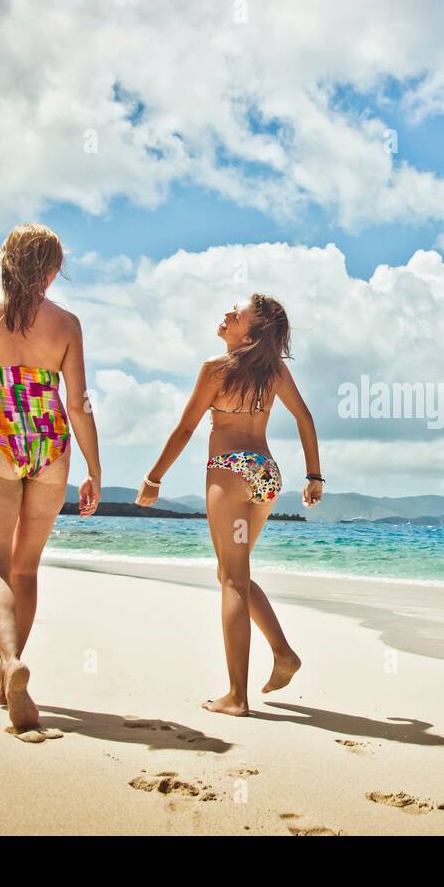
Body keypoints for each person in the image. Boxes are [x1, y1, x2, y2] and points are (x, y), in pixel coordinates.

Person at [0, 223, 102, 733]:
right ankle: (5, 673)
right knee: (26, 569)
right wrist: (95, 468)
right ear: (53, 270)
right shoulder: (68, 324)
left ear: (6, 261)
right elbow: (78, 403)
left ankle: (10, 663)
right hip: (51, 444)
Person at [137, 294, 322, 716]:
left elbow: (185, 428)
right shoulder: (275, 372)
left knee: (233, 581)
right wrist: (313, 476)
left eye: (235, 315)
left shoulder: (216, 370)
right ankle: (283, 653)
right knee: (232, 573)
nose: (225, 315)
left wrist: (154, 478)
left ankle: (236, 698)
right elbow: (305, 419)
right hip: (265, 474)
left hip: (230, 470)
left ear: (251, 331)